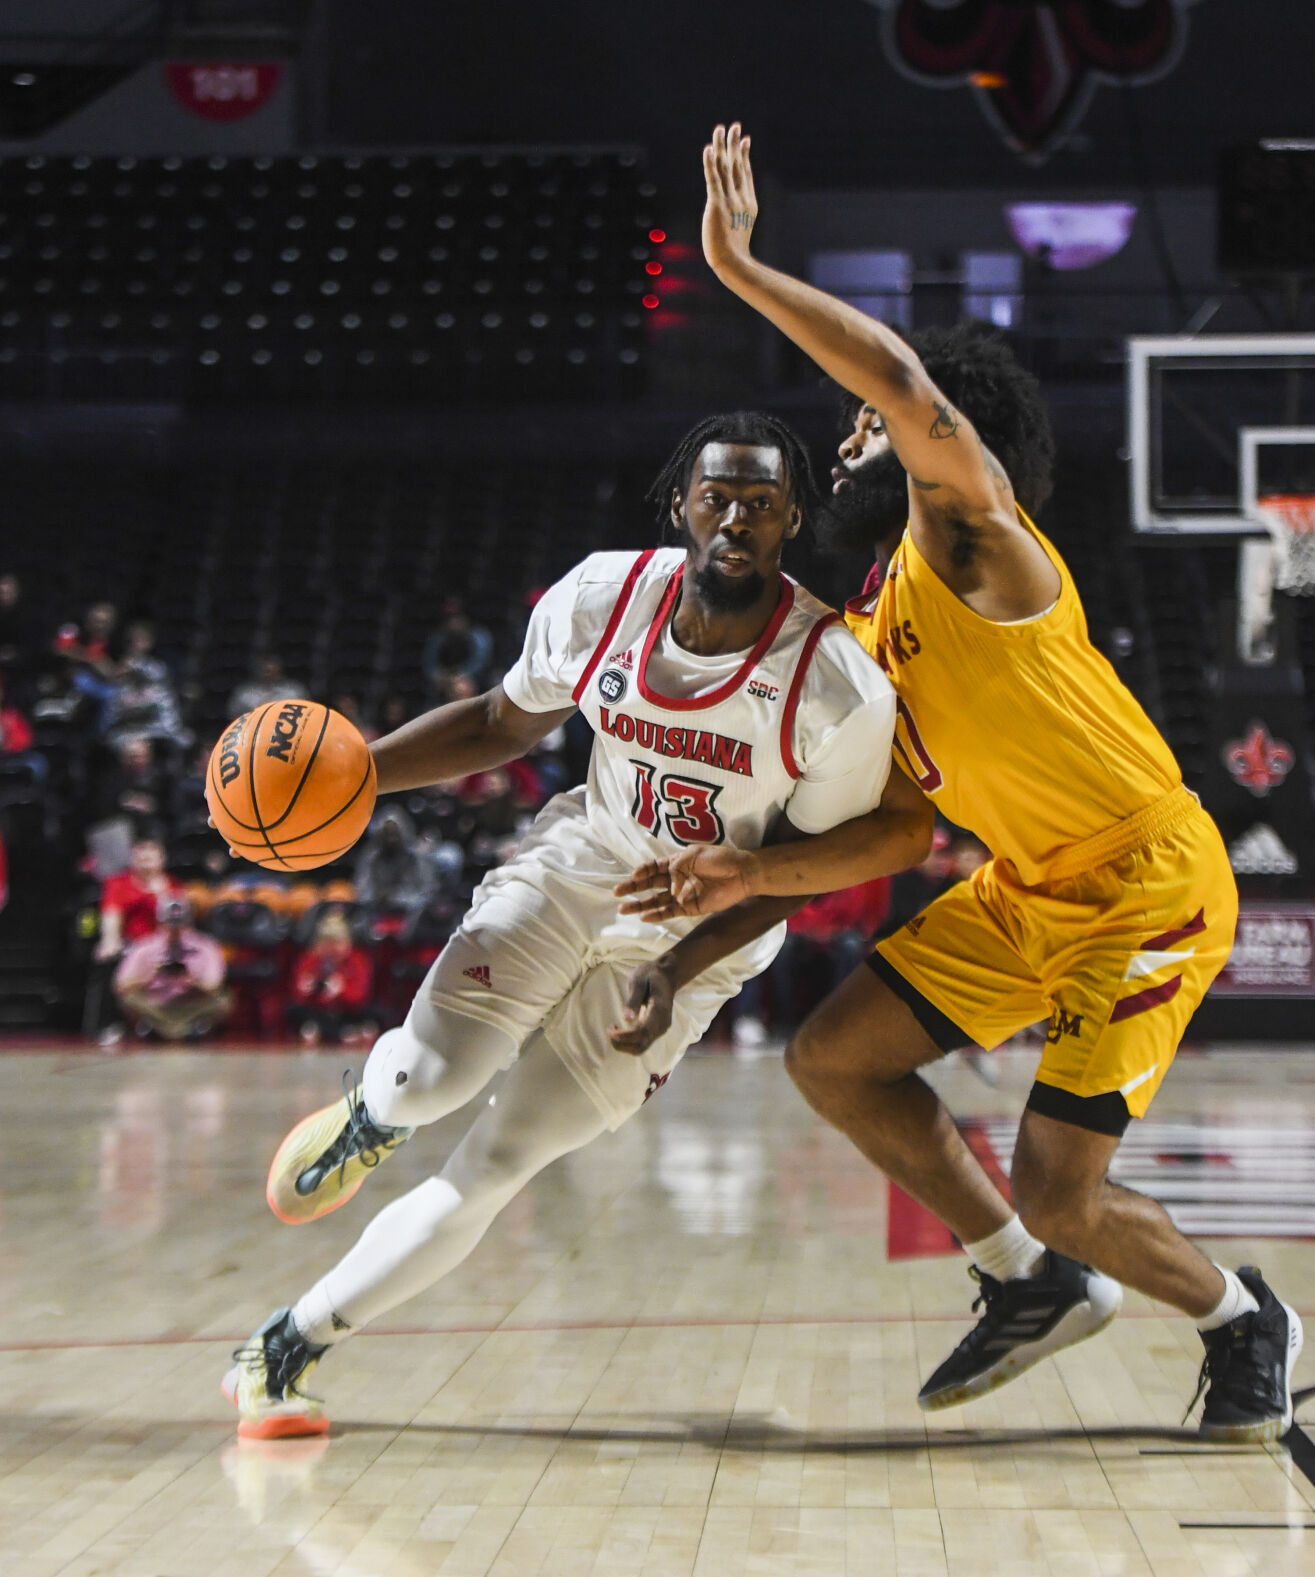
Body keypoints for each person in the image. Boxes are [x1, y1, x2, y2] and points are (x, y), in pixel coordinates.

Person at [614, 125, 1300, 1445]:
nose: (851, 436)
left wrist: (740, 270)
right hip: (1026, 889)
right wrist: (732, 898)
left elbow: (901, 380)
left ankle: (1235, 1315)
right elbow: (893, 829)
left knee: (1062, 1181)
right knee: (834, 1060)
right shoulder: (866, 636)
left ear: (942, 436)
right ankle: (1030, 1280)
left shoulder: (977, 543)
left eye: (867, 426)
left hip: (1146, 886)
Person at [221, 410, 927, 1439]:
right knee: (435, 1080)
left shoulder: (835, 686)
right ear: (680, 500)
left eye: (762, 503)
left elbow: (797, 873)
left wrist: (680, 964)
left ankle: (287, 1344)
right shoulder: (602, 595)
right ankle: (375, 1111)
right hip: (578, 863)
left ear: (791, 520)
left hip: (705, 935)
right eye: (718, 495)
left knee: (503, 1161)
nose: (736, 518)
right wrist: (359, 776)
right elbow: (504, 721)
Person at [112, 895, 231, 1040]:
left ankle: (190, 1028)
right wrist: (151, 976)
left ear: (189, 922)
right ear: (160, 921)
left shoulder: (206, 946)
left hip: (191, 1004)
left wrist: (190, 979)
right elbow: (121, 984)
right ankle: (158, 1027)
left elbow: (214, 985)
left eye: (180, 924)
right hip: (156, 1005)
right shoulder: (144, 947)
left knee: (223, 1000)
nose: (175, 930)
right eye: (170, 923)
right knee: (129, 999)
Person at [285, 910, 377, 1046]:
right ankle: (343, 1033)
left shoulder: (357, 959)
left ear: (347, 942)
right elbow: (298, 994)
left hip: (348, 1010)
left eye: (336, 943)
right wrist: (306, 991)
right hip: (319, 1010)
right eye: (327, 943)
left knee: (373, 1012)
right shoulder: (309, 959)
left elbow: (361, 995)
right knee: (293, 1011)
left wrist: (341, 991)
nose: (332, 949)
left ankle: (335, 1032)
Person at [352, 806, 436, 913]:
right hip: (377, 908)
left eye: (394, 833)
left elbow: (427, 890)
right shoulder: (372, 856)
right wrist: (377, 896)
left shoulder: (416, 857)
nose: (391, 838)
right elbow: (361, 888)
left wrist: (400, 897)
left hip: (410, 909)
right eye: (387, 833)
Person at [421, 598, 494, 703]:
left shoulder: (479, 636)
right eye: (450, 618)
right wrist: (439, 675)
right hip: (447, 680)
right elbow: (430, 664)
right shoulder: (438, 638)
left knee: (463, 686)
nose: (453, 622)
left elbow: (480, 663)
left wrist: (461, 675)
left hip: (476, 679)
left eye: (457, 617)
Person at [228, 654, 304, 718]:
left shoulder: (294, 691)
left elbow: (305, 714)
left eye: (271, 670)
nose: (268, 674)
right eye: (265, 670)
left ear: (279, 669)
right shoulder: (244, 694)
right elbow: (233, 716)